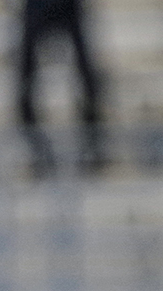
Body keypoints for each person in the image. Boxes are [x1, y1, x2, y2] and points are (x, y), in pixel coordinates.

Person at [14, 0, 107, 176]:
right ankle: (35, 151)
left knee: (88, 77)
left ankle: (93, 146)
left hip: (69, 6)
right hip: (35, 5)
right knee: (25, 78)